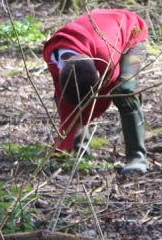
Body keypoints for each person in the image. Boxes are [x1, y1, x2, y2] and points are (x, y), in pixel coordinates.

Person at [42, 9, 151, 174]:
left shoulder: (105, 57)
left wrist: (84, 109)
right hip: (98, 35)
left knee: (124, 91)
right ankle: (79, 151)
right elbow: (64, 96)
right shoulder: (54, 53)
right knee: (69, 97)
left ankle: (137, 158)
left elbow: (102, 98)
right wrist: (66, 140)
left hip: (131, 34)